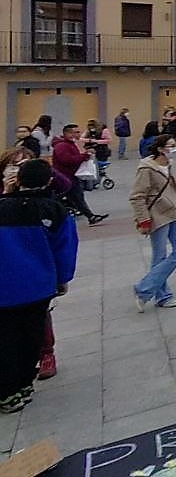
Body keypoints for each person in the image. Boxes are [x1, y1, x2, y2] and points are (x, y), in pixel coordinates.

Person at [0, 160, 77, 414]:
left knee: (7, 338)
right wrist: (63, 279)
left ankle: (8, 391)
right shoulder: (54, 210)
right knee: (32, 336)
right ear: (48, 182)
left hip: (5, 287)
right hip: (38, 286)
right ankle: (22, 385)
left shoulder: (3, 207)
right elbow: (64, 249)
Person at [130, 134, 176, 311]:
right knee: (160, 257)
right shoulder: (147, 169)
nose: (174, 149)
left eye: (175, 145)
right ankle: (162, 295)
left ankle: (144, 287)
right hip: (158, 216)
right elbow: (137, 196)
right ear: (160, 149)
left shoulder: (171, 165)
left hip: (175, 213)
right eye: (170, 146)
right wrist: (143, 219)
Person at [49, 124, 107, 225]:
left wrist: (84, 155)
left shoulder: (70, 144)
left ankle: (91, 216)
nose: (78, 134)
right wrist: (83, 156)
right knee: (59, 198)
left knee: (78, 197)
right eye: (76, 132)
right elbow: (67, 160)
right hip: (63, 177)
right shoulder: (62, 146)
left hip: (71, 176)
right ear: (68, 134)